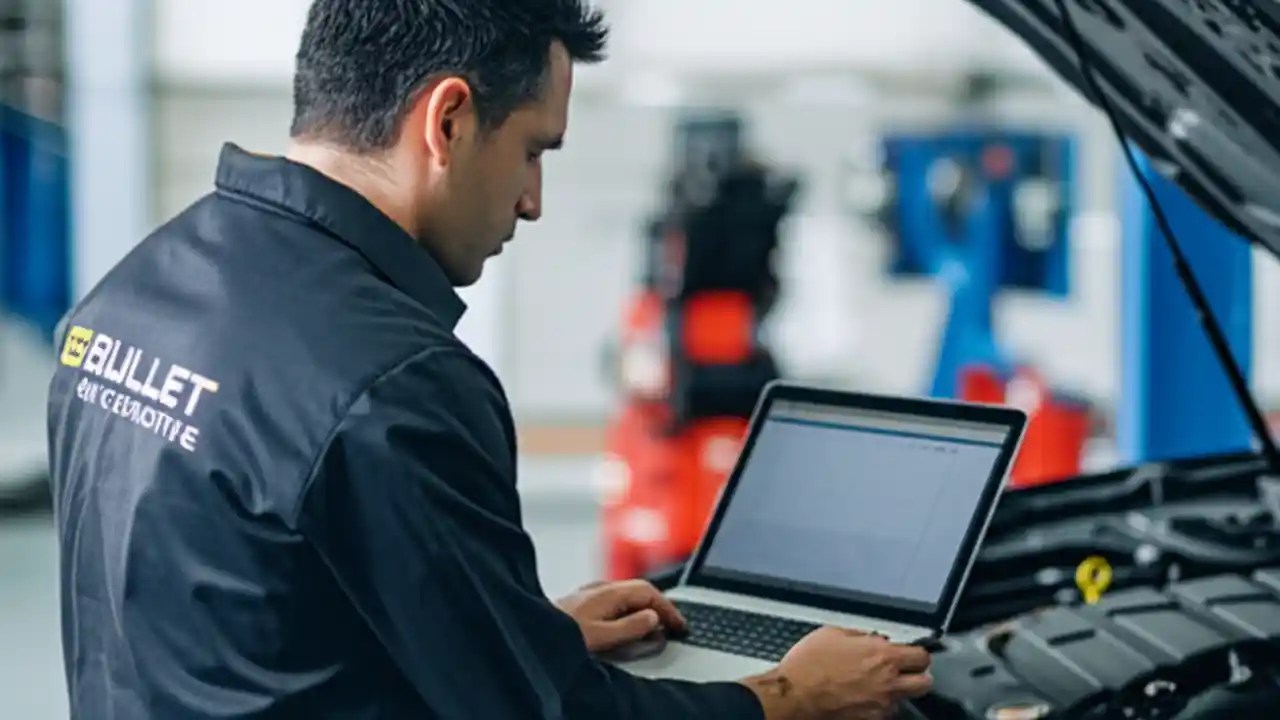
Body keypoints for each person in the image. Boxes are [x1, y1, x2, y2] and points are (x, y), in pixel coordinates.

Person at [46, 1, 934, 718]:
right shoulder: (392, 383)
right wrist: (788, 694)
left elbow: (247, 615)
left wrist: (522, 633)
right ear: (449, 119)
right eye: (533, 150)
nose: (534, 200)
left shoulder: (134, 293)